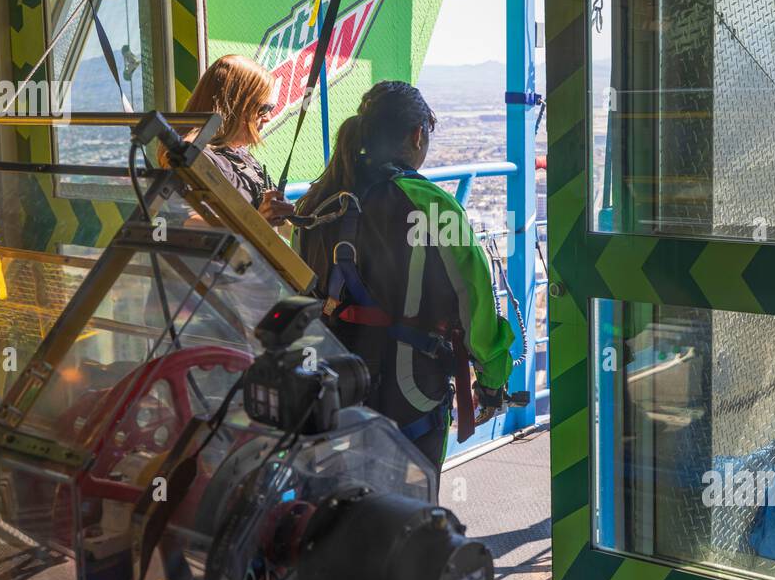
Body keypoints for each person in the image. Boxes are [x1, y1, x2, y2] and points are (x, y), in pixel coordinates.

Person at [293, 81, 515, 478]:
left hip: (328, 391)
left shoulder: (314, 202)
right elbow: (477, 301)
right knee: (409, 512)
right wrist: (491, 383)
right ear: (418, 134)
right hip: (408, 398)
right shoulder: (431, 204)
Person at [166, 54, 294, 227]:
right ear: (237, 106)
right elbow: (189, 223)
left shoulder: (237, 152)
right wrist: (257, 224)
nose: (268, 118)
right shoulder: (193, 156)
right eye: (263, 109)